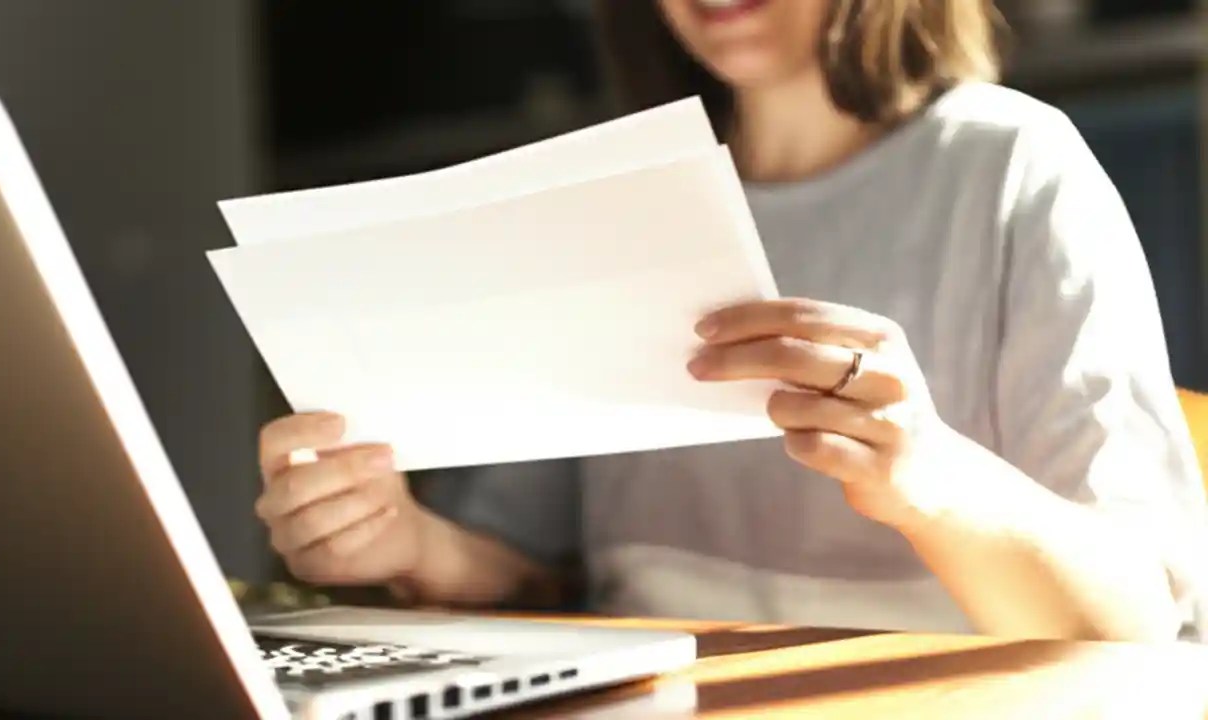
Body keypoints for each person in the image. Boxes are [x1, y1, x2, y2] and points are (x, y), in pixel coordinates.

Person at [252, 0, 1208, 642]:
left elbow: (1135, 621)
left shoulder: (1014, 166)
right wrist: (404, 543)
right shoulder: (611, 199)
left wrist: (931, 479)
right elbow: (533, 574)